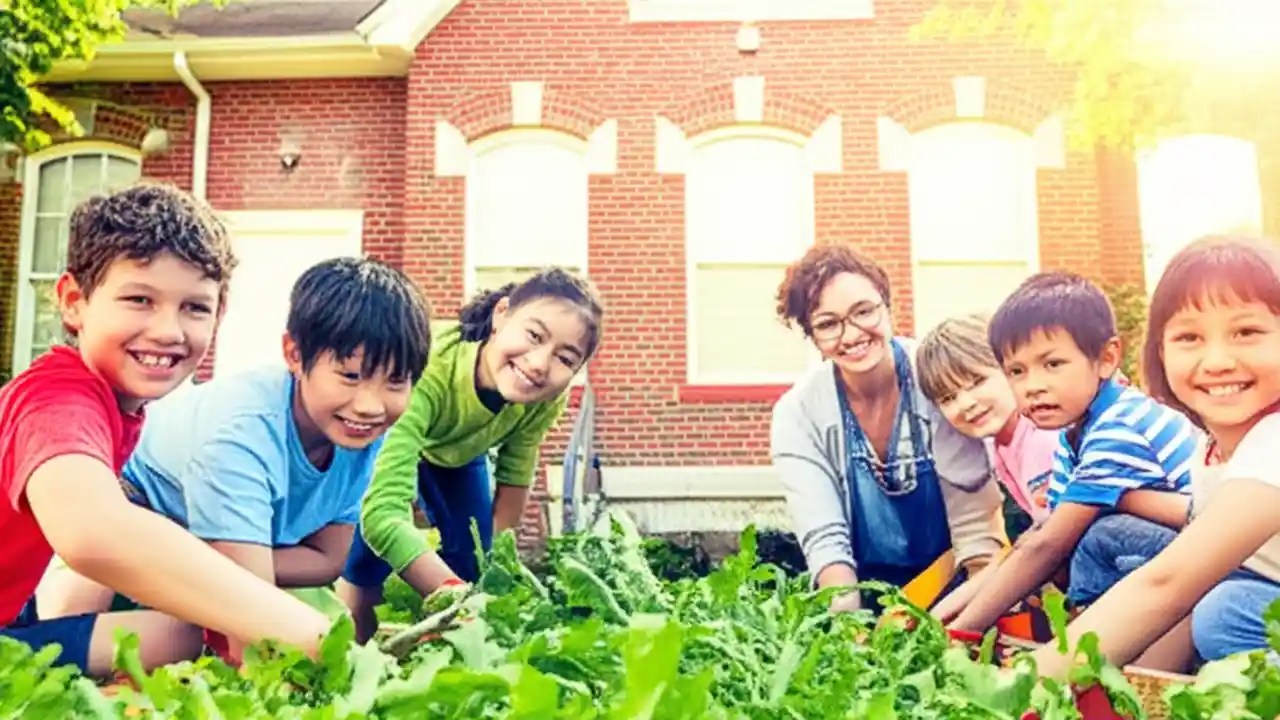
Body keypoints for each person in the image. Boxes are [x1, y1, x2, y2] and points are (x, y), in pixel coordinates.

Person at [0, 183, 331, 676]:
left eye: (194, 307)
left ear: (220, 313)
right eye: (139, 299)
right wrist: (303, 631)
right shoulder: (52, 398)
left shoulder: (123, 406)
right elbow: (93, 532)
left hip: (15, 614)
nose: (168, 331)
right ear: (73, 301)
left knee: (187, 632)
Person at [36, 257, 431, 637]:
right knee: (70, 624)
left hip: (217, 542)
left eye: (395, 382)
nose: (370, 405)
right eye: (349, 376)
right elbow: (249, 618)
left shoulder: (361, 434)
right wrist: (228, 566)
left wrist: (223, 561)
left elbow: (328, 559)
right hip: (135, 502)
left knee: (316, 628)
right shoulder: (242, 430)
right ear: (294, 355)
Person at [1035, 236, 1280, 677]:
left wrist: (1023, 684)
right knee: (1221, 603)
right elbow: (1187, 593)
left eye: (1246, 332)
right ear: (1161, 352)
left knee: (1220, 609)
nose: (1217, 360)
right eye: (1189, 337)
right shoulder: (1210, 451)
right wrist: (1128, 693)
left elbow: (1167, 585)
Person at [338, 267, 603, 641]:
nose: (540, 363)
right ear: (501, 315)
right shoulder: (428, 366)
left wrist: (490, 578)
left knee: (474, 554)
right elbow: (382, 514)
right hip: (391, 433)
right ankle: (352, 647)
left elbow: (514, 479)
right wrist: (456, 599)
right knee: (369, 551)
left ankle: (441, 649)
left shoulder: (544, 399)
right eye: (534, 335)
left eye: (566, 358)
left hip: (460, 456)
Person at [946, 272, 1199, 636]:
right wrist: (939, 618)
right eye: (1016, 371)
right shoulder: (1073, 434)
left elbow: (1049, 546)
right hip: (1174, 552)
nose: (1033, 386)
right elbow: (1037, 538)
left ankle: (1110, 646)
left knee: (1098, 538)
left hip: (1216, 562)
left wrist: (962, 633)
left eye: (1052, 364)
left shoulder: (1119, 425)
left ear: (1106, 359)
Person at [770, 245, 1008, 614]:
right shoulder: (798, 415)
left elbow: (975, 528)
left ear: (887, 306)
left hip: (959, 584)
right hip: (867, 596)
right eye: (828, 324)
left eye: (863, 311)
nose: (851, 335)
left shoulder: (936, 379)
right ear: (812, 336)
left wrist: (976, 621)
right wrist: (848, 625)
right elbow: (827, 543)